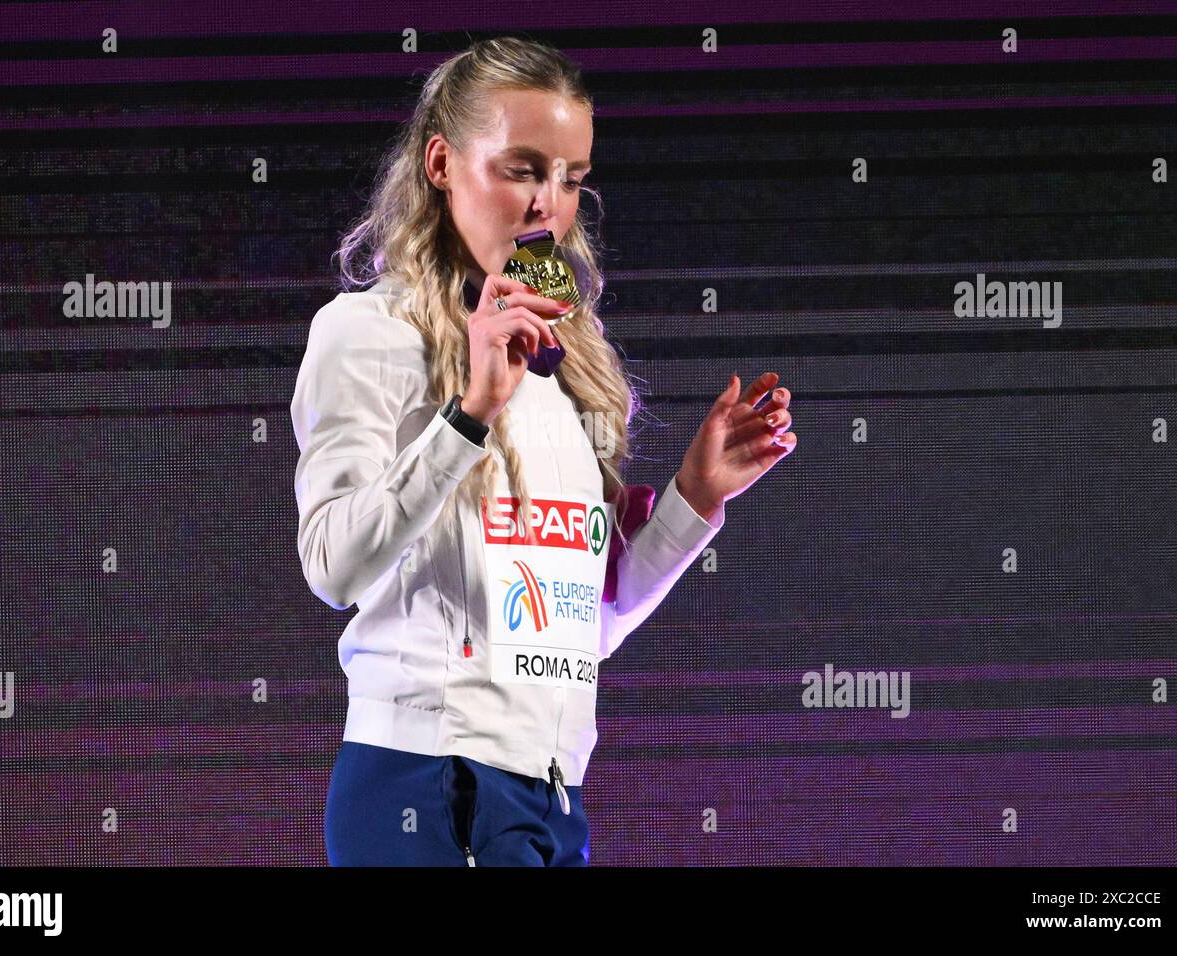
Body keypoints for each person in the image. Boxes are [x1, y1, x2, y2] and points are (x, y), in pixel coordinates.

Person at [290, 36, 797, 867]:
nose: (546, 208)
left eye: (570, 178)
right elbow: (332, 565)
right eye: (521, 168)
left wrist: (695, 499)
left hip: (551, 789)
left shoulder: (567, 360)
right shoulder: (367, 334)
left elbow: (577, 630)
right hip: (427, 779)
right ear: (443, 163)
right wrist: (468, 414)